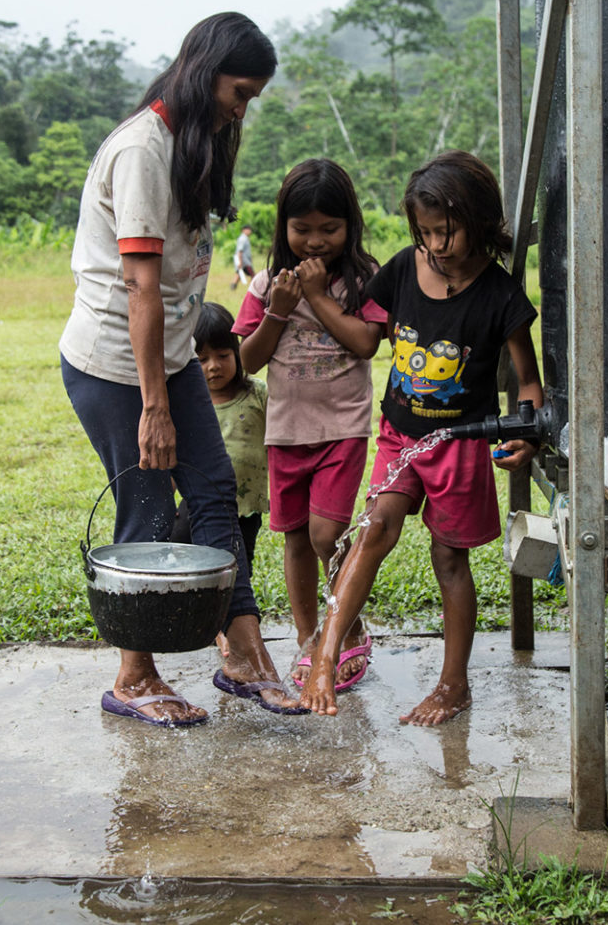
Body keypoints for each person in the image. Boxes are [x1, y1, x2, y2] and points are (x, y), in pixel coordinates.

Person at [59, 12, 304, 726]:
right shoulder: (142, 150)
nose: (242, 107)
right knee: (146, 508)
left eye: (252, 96)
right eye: (239, 91)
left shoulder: (188, 144)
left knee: (214, 490)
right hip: (115, 370)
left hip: (168, 361)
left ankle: (245, 656)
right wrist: (154, 406)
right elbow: (140, 287)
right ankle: (134, 677)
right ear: (205, 72)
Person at [299, 150, 543, 726]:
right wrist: (314, 299)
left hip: (460, 441)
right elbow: (365, 339)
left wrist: (528, 433)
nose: (436, 245)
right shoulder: (406, 269)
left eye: (447, 231)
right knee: (375, 529)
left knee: (449, 558)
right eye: (425, 232)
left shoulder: (501, 295)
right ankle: (324, 659)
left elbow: (528, 381)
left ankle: (453, 683)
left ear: (480, 220)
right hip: (399, 433)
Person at [233, 159, 386, 692]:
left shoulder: (363, 280)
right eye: (302, 229)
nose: (315, 241)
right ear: (283, 227)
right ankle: (309, 638)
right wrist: (278, 308)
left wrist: (317, 297)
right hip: (287, 430)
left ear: (350, 225)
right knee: (295, 539)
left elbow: (366, 342)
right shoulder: (265, 284)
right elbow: (247, 361)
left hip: (343, 426)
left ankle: (347, 623)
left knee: (327, 535)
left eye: (329, 228)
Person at [169, 301, 268, 573]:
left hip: (245, 509)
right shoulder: (188, 403)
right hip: (196, 503)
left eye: (223, 355)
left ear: (237, 352)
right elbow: (174, 458)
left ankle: (231, 613)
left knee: (237, 568)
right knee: (182, 557)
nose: (214, 366)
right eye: (201, 360)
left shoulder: (258, 395)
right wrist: (167, 502)